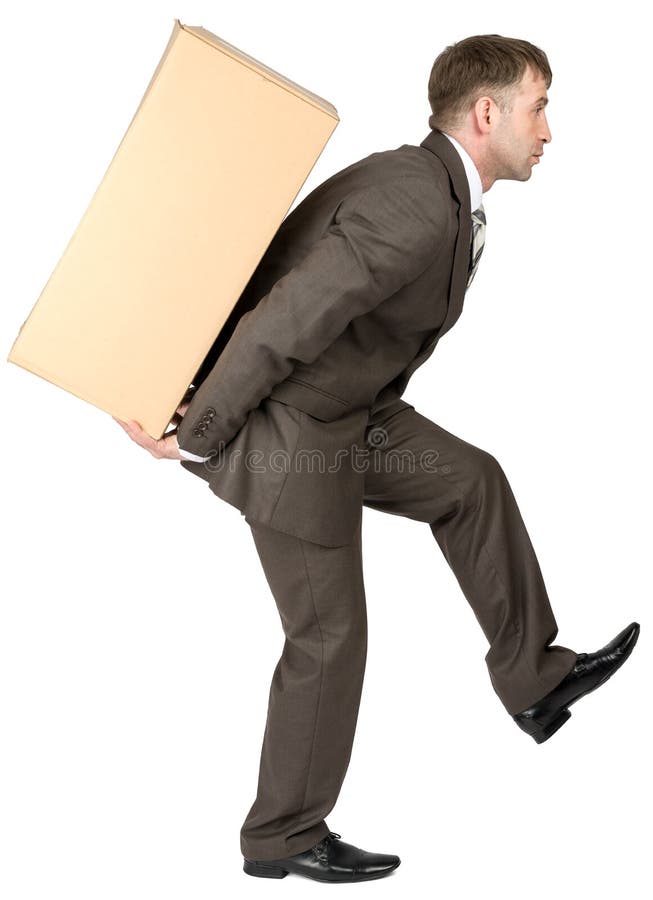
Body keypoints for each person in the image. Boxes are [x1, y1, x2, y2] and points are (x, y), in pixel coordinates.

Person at [113, 34, 640, 884]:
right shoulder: (413, 202)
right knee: (327, 634)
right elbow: (288, 318)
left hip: (350, 412)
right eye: (539, 107)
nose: (549, 130)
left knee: (470, 481)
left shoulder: (437, 191)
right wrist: (201, 431)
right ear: (485, 112)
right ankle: (281, 835)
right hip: (287, 426)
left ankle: (533, 679)